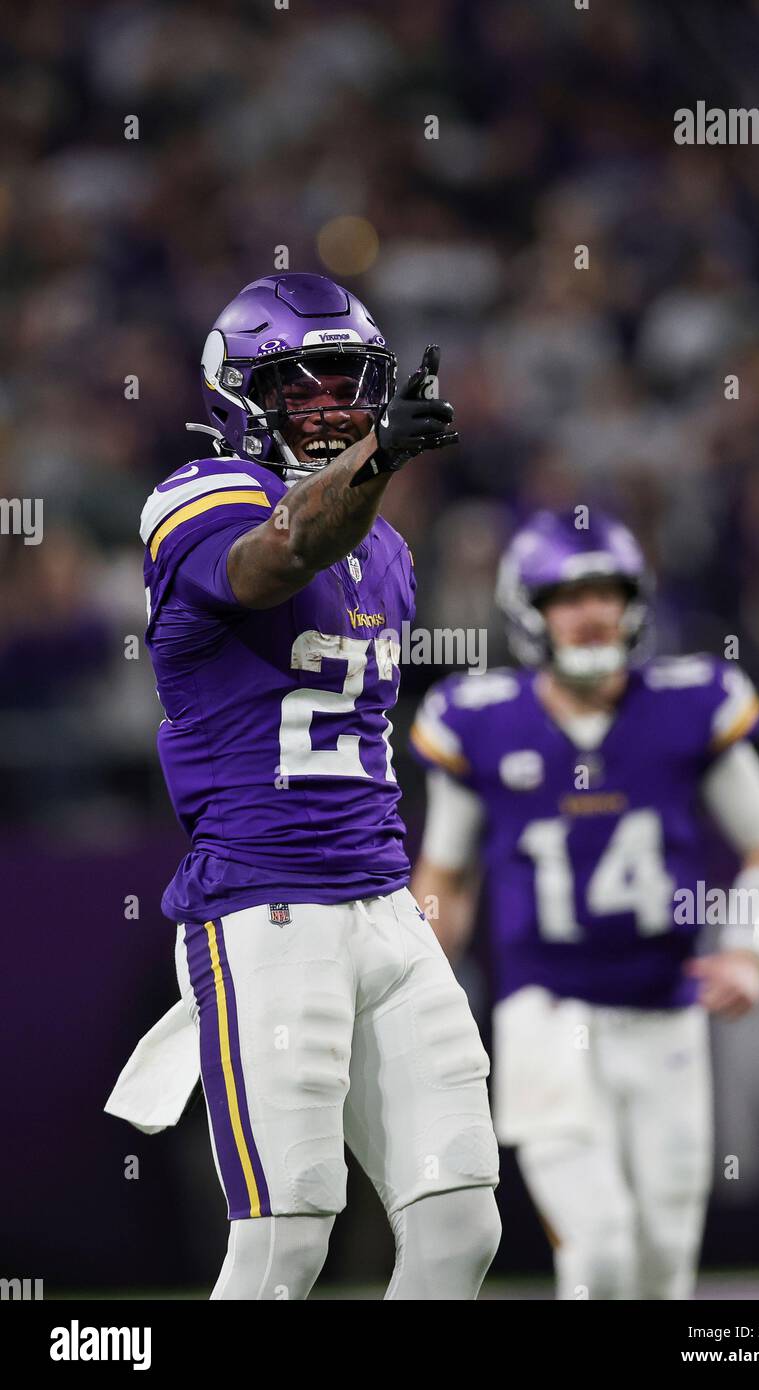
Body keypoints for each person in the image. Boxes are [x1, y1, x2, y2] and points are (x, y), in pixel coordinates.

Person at [108, 273, 500, 1300]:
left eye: (347, 386)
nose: (330, 407)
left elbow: (338, 535)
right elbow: (280, 554)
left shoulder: (391, 552)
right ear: (240, 397)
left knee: (459, 1218)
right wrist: (380, 457)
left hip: (385, 903)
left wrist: (372, 471)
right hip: (264, 909)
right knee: (286, 1237)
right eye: (301, 387)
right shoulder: (199, 496)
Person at [409, 507, 759, 1300]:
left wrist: (750, 951)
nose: (590, 612)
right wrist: (418, 990)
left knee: (661, 1267)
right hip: (547, 1017)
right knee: (601, 1255)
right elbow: (444, 880)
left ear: (635, 602)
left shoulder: (693, 701)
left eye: (606, 591)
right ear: (529, 610)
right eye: (567, 594)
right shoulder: (477, 721)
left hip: (668, 1014)